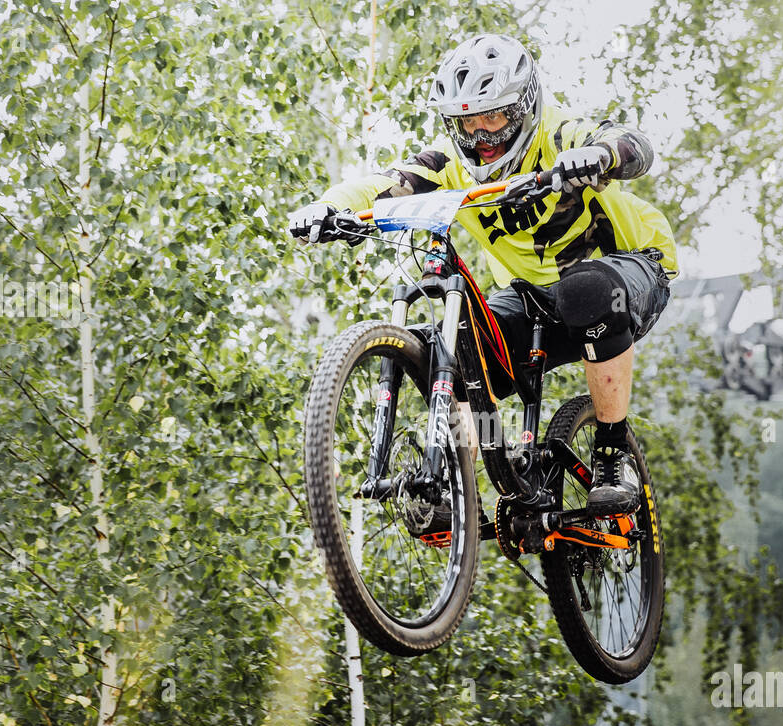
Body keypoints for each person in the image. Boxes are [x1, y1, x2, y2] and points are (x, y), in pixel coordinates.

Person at [290, 33, 677, 516]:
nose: (481, 139)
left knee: (585, 291)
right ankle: (459, 486)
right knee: (448, 353)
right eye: (467, 124)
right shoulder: (452, 167)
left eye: (493, 119)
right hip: (533, 296)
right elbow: (388, 182)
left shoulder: (557, 135)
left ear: (523, 108)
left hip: (634, 269)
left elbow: (631, 143)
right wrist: (329, 208)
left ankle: (611, 455)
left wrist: (599, 156)